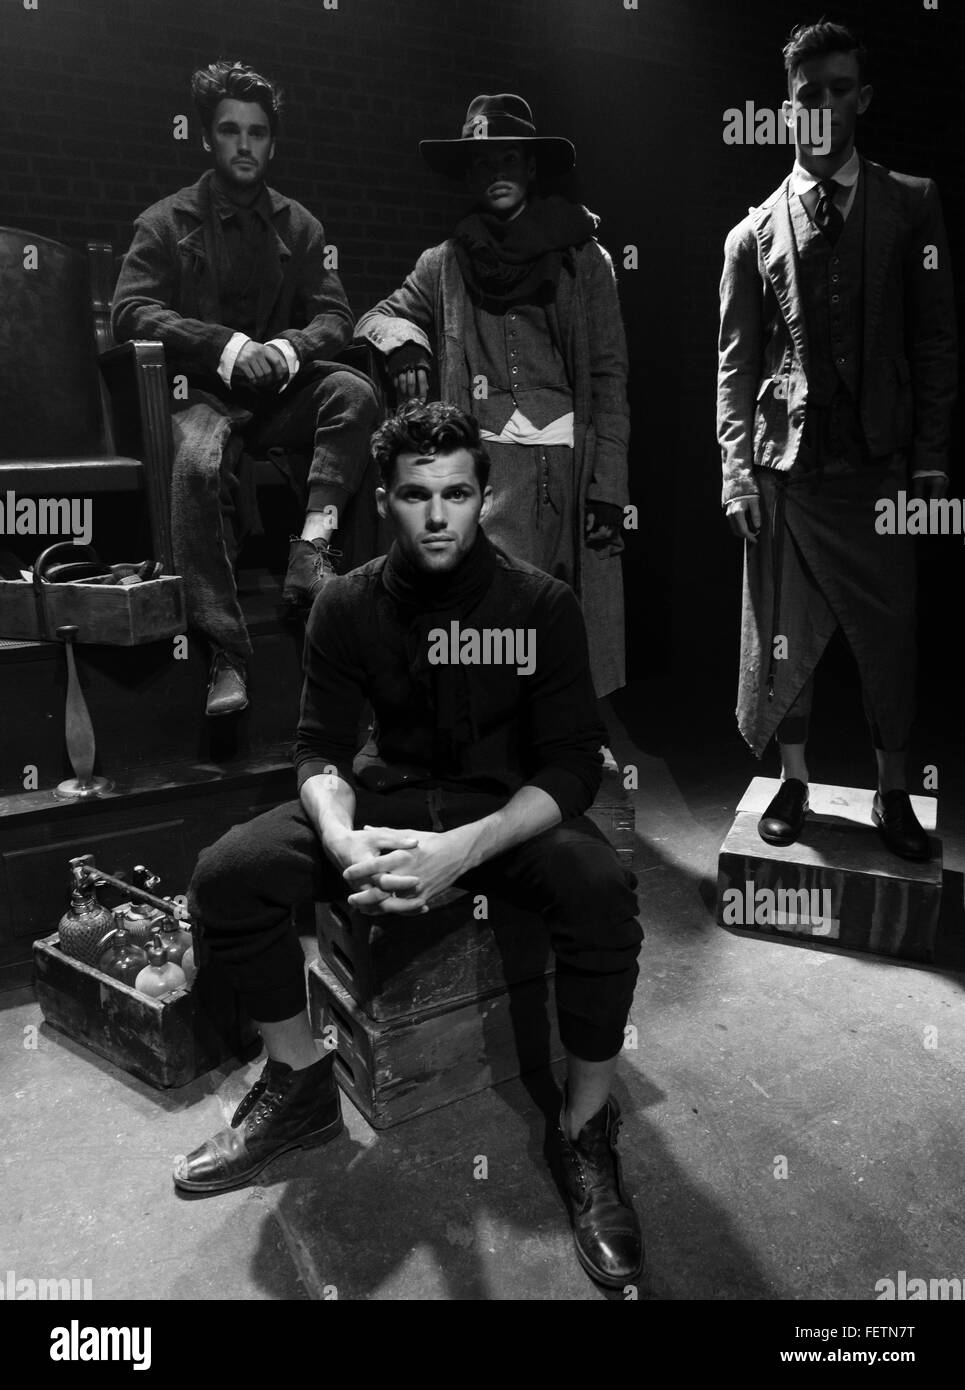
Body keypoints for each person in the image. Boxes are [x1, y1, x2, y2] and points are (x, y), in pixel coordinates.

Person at [177, 401, 644, 1288]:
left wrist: (463, 850)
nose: (437, 517)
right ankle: (299, 1081)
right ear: (383, 501)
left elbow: (574, 768)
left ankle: (586, 1127)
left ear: (483, 497)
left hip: (495, 816)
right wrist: (344, 838)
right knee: (227, 874)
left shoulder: (541, 607)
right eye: (414, 495)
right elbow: (316, 747)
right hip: (385, 805)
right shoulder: (346, 606)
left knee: (599, 892)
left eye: (457, 493)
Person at [717, 21, 957, 857]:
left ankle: (895, 792)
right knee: (785, 637)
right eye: (804, 93)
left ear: (862, 97)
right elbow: (735, 366)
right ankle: (793, 782)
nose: (820, 106)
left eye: (836, 89)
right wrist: (737, 475)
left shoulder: (911, 204)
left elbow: (933, 339)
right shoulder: (749, 236)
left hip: (880, 467)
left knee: (888, 636)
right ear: (786, 107)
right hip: (787, 471)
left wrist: (929, 458)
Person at [112, 60, 379, 715]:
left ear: (271, 142)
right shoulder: (165, 222)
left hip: (275, 397)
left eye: (257, 133)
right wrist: (225, 347)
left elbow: (336, 316)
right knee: (198, 465)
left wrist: (288, 349)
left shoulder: (300, 227)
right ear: (206, 137)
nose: (243, 144)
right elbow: (130, 310)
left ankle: (311, 554)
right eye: (229, 130)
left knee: (354, 394)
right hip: (199, 393)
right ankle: (226, 653)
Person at [355, 94, 631, 709]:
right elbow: (375, 317)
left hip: (565, 466)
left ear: (532, 167)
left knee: (563, 621)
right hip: (485, 474)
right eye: (482, 163)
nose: (496, 173)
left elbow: (610, 378)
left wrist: (608, 484)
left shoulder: (584, 258)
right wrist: (406, 344)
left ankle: (568, 755)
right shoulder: (445, 263)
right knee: (487, 624)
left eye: (509, 158)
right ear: (469, 175)